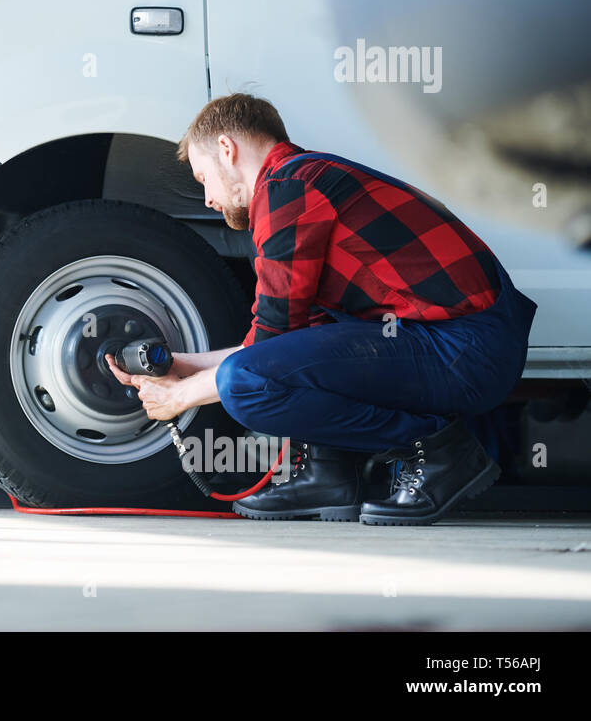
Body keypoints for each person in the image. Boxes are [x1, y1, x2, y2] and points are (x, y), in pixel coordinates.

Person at [106, 93, 537, 525]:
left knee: (243, 386)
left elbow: (263, 355)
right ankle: (326, 476)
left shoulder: (288, 189)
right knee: (289, 354)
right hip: (463, 344)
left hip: (464, 347)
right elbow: (287, 346)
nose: (208, 200)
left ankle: (441, 451)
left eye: (203, 179)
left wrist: (182, 395)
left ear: (226, 149)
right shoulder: (306, 181)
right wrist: (181, 365)